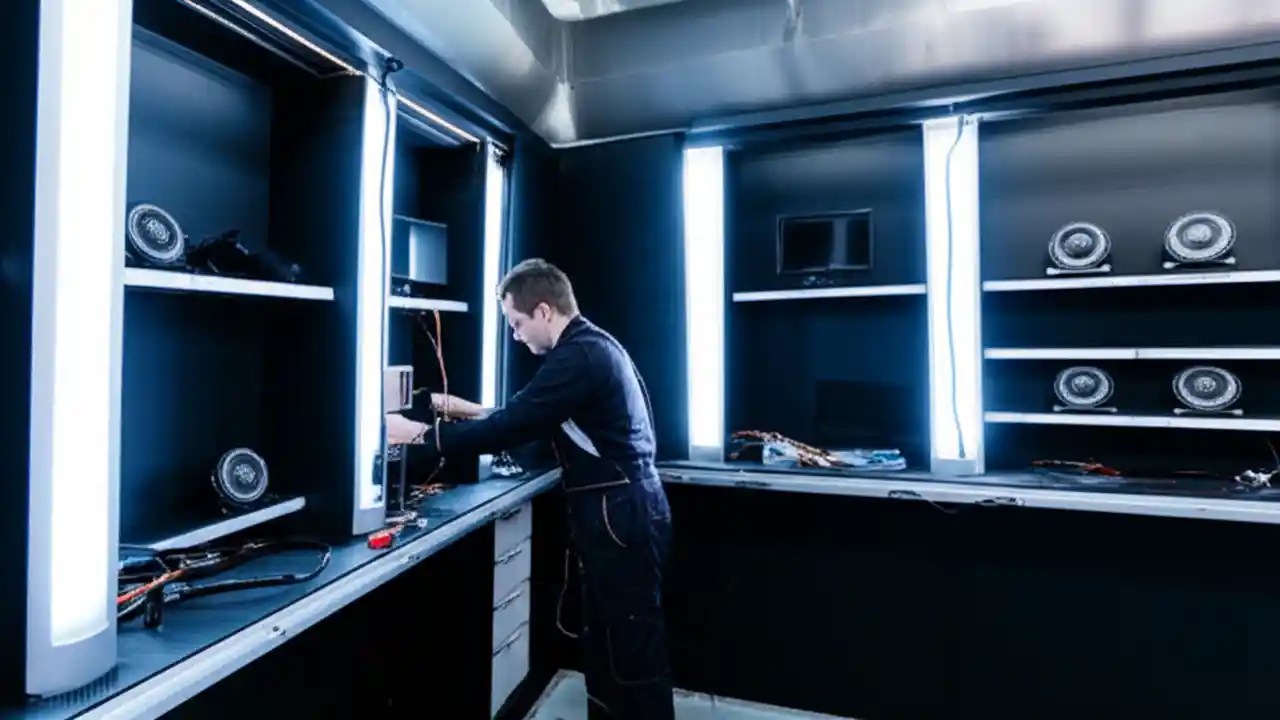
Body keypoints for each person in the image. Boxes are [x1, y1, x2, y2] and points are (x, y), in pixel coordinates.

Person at [386, 258, 675, 720]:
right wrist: (470, 411)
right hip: (627, 508)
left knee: (626, 650)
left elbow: (519, 423)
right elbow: (537, 413)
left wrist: (419, 436)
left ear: (543, 311)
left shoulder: (576, 355)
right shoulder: (594, 346)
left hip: (618, 513)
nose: (516, 335)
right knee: (613, 643)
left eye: (516, 323)